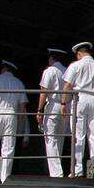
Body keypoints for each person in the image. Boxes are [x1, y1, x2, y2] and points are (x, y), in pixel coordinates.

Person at [62, 42, 94, 177]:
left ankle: (78, 170)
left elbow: (67, 85)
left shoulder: (75, 65)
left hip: (80, 99)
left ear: (79, 54)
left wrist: (63, 103)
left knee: (79, 136)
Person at [0, 58, 27, 185]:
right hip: (12, 114)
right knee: (8, 147)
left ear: (4, 69)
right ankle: (5, 177)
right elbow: (22, 105)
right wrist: (18, 120)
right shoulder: (19, 83)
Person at [37, 49, 69, 178]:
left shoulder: (49, 71)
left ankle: (56, 173)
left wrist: (39, 110)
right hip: (65, 107)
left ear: (51, 59)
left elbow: (43, 91)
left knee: (50, 139)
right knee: (60, 140)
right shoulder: (66, 70)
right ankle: (58, 170)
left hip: (53, 105)